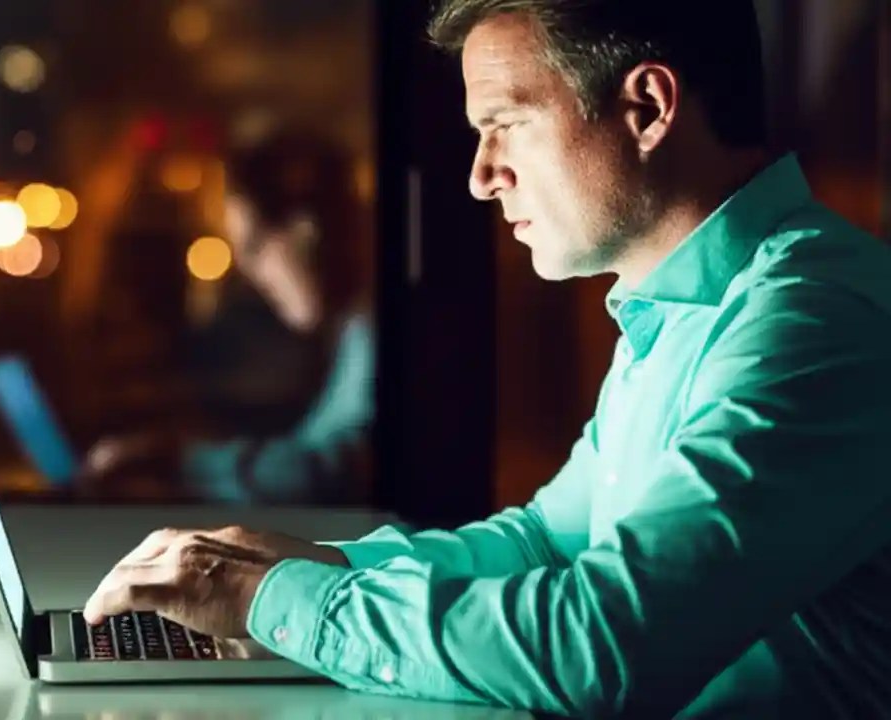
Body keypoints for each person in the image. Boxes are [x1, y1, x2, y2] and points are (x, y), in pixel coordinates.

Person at [82, 1, 891, 717]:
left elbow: (603, 646)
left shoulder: (813, 321)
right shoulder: (680, 312)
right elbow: (544, 542)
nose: (480, 177)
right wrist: (301, 566)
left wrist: (280, 602)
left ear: (646, 107)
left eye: (505, 123)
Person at [85, 131, 375, 505]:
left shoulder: (371, 332)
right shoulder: (352, 331)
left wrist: (179, 462)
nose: (252, 272)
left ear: (307, 231)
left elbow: (331, 470)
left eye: (254, 247)